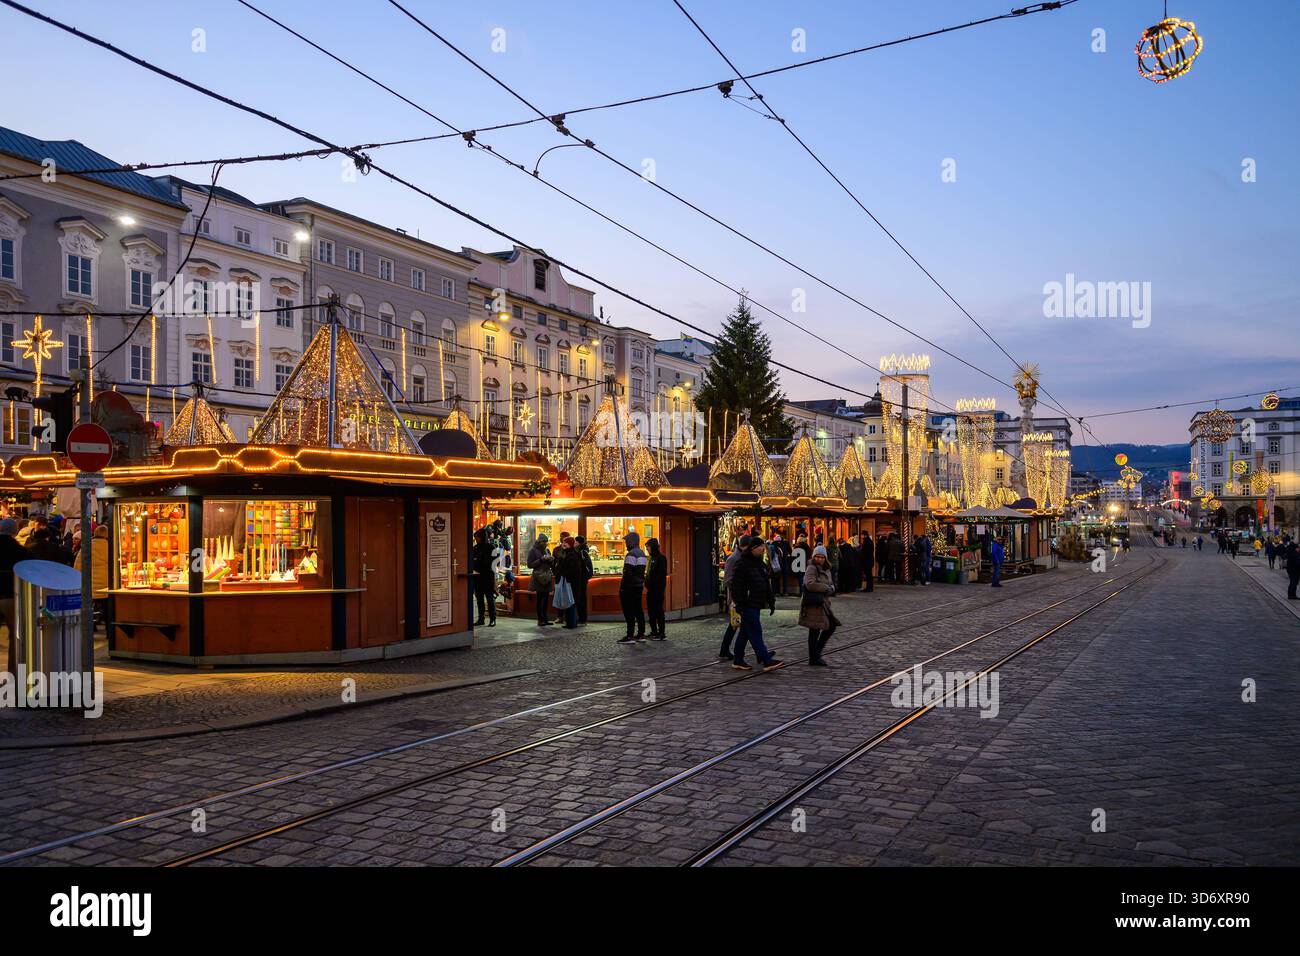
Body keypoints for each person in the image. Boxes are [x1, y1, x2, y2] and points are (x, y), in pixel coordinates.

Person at [731, 536, 782, 671]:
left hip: (756, 603)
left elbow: (766, 584)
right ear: (753, 548)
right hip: (747, 604)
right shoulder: (743, 564)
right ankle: (765, 660)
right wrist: (739, 603)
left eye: (763, 547)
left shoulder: (760, 564)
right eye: (760, 547)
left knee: (745, 633)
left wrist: (771, 601)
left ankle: (738, 659)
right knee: (755, 631)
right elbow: (736, 586)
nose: (762, 549)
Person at [800, 545, 838, 666]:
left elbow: (831, 583)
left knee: (829, 626)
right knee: (815, 629)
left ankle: (815, 655)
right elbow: (809, 584)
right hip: (814, 604)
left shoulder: (826, 568)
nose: (820, 559)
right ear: (814, 556)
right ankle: (814, 656)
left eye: (822, 557)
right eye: (817, 556)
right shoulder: (811, 568)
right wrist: (827, 588)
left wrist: (831, 588)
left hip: (823, 603)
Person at [0, 517, 28, 673]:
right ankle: (12, 671)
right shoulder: (20, 550)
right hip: (11, 597)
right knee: (14, 637)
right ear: (14, 531)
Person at [73, 524, 111, 628]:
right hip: (106, 585)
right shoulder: (110, 546)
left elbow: (77, 565)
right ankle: (109, 631)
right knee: (108, 610)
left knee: (89, 607)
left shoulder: (87, 546)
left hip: (89, 585)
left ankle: (91, 628)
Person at [718, 535, 749, 660]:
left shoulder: (744, 557)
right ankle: (760, 654)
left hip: (743, 596)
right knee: (736, 625)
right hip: (737, 597)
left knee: (737, 625)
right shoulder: (733, 559)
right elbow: (728, 580)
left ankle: (724, 650)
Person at [617, 531, 647, 644]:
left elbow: (628, 572)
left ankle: (629, 636)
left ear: (631, 541)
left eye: (626, 541)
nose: (625, 543)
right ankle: (641, 634)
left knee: (629, 611)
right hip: (638, 586)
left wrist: (623, 587)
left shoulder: (631, 554)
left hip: (629, 587)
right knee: (638, 610)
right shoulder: (642, 554)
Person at [553, 537, 582, 630]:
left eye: (565, 543)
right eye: (563, 543)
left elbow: (571, 569)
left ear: (569, 544)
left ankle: (571, 623)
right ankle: (570, 622)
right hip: (570, 581)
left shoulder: (571, 554)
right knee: (570, 601)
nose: (563, 544)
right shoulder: (569, 553)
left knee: (570, 601)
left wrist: (562, 571)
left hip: (571, 582)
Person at [527, 533, 555, 626]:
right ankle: (540, 619)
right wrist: (541, 559)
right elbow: (530, 565)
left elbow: (551, 565)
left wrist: (551, 560)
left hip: (547, 576)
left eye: (546, 542)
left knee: (546, 599)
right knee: (540, 599)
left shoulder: (547, 550)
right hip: (539, 577)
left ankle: (545, 618)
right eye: (544, 542)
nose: (546, 543)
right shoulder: (533, 551)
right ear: (539, 542)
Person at [471, 528, 497, 627]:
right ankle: (481, 618)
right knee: (479, 599)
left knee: (490, 599)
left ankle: (492, 619)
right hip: (477, 577)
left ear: (482, 537)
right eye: (475, 537)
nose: (476, 539)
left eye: (477, 537)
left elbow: (495, 563)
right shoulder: (475, 548)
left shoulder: (492, 547)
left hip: (488, 577)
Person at [644, 537, 667, 641]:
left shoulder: (661, 558)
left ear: (652, 547)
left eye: (648, 547)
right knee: (651, 611)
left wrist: (652, 584)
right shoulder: (651, 558)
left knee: (658, 611)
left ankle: (661, 633)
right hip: (651, 589)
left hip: (657, 590)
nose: (647, 549)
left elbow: (661, 575)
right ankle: (654, 631)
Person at [572, 535, 593, 624]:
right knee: (581, 598)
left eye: (576, 542)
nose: (574, 544)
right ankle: (581, 617)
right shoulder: (582, 552)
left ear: (579, 543)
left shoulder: (582, 553)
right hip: (582, 578)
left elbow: (584, 567)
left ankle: (581, 618)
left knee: (580, 598)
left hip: (581, 579)